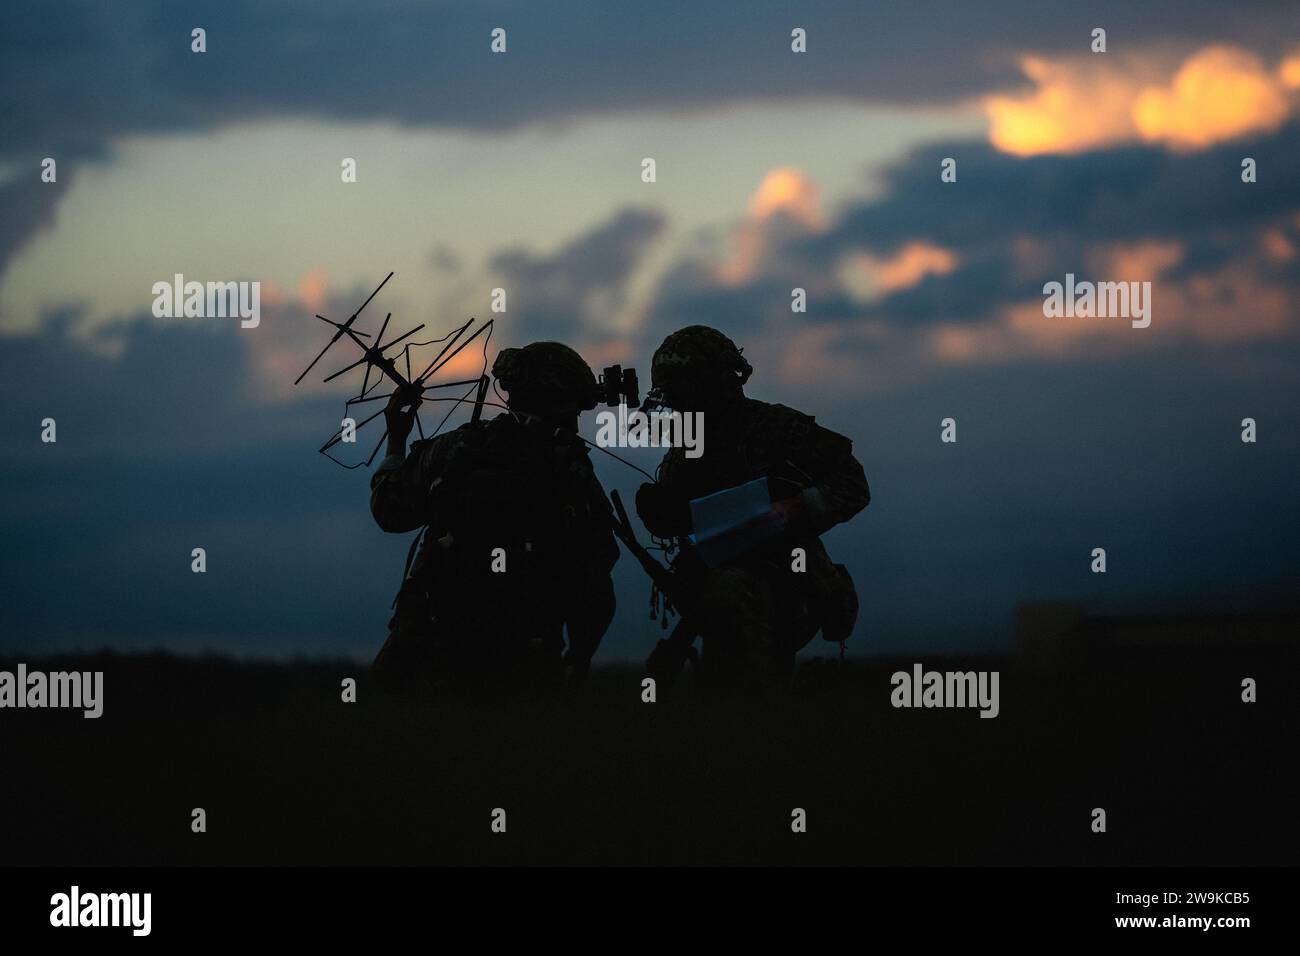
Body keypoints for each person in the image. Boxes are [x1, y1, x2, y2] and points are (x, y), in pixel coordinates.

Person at [369, 342, 619, 697]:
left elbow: (389, 511)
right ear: (565, 403)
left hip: (430, 650)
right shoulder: (571, 471)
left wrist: (396, 440)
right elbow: (597, 581)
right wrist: (577, 660)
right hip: (530, 660)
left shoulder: (459, 448)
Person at [635, 326, 870, 691]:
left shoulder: (777, 429)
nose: (675, 405)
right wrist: (666, 515)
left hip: (790, 581)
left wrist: (788, 511)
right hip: (724, 588)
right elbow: (687, 519)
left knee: (745, 681)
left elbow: (853, 485)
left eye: (682, 391)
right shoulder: (685, 450)